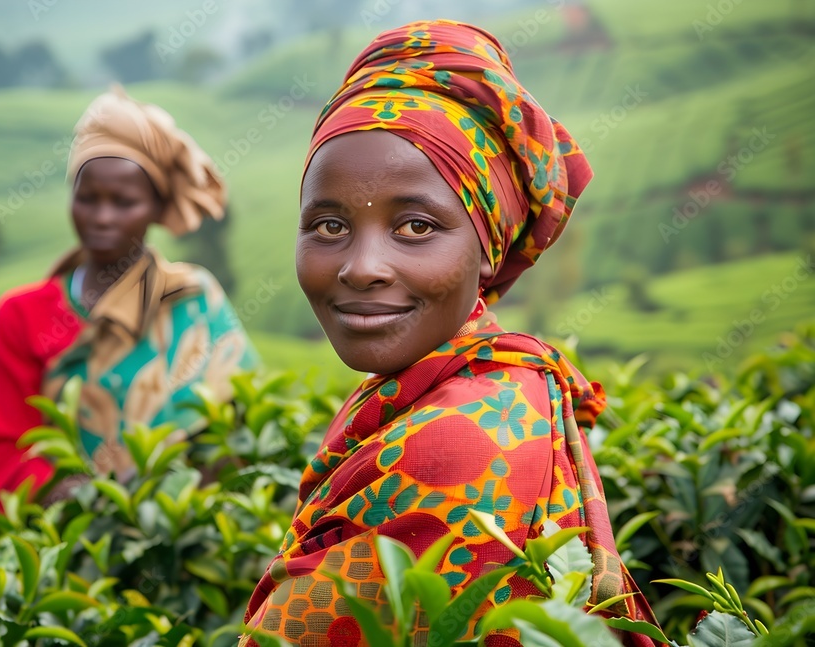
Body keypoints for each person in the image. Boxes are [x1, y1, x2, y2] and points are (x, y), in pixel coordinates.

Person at [241, 20, 659, 646]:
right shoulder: (462, 387)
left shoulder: (451, 449)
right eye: (328, 226)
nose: (361, 267)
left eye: (415, 226)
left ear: (488, 248)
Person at [0, 86, 259, 511]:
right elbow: (4, 454)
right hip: (71, 544)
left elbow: (241, 423)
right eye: (87, 198)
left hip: (187, 531)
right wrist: (88, 502)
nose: (102, 217)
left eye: (124, 202)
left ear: (155, 207)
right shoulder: (22, 315)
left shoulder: (192, 299)